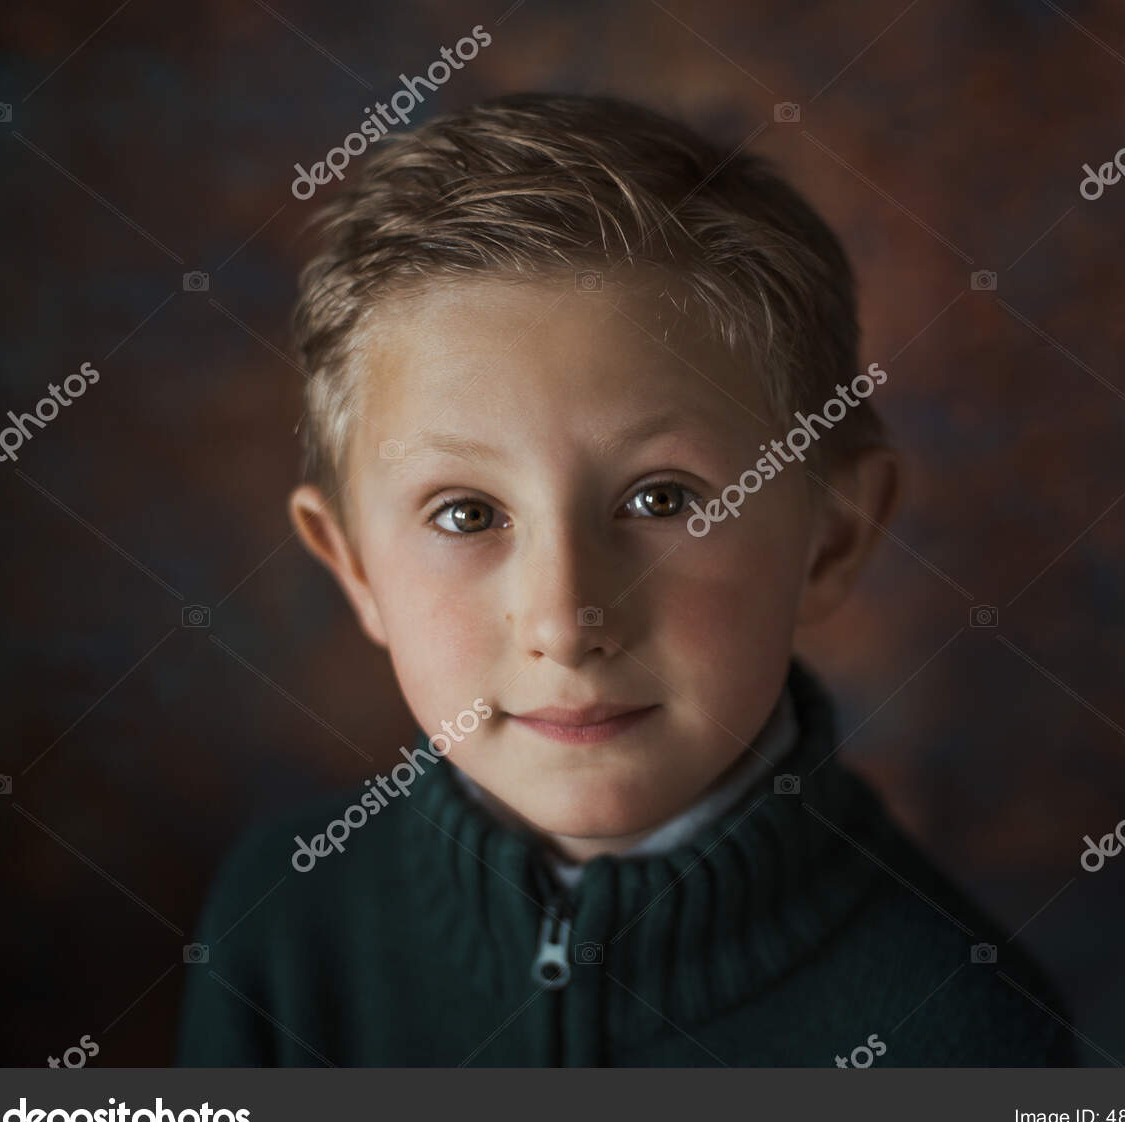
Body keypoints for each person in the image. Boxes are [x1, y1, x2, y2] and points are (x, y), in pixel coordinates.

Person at [177, 93, 1072, 1066]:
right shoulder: (282, 921)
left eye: (660, 501)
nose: (567, 622)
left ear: (830, 540)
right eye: (466, 514)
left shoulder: (959, 1023)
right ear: (354, 568)